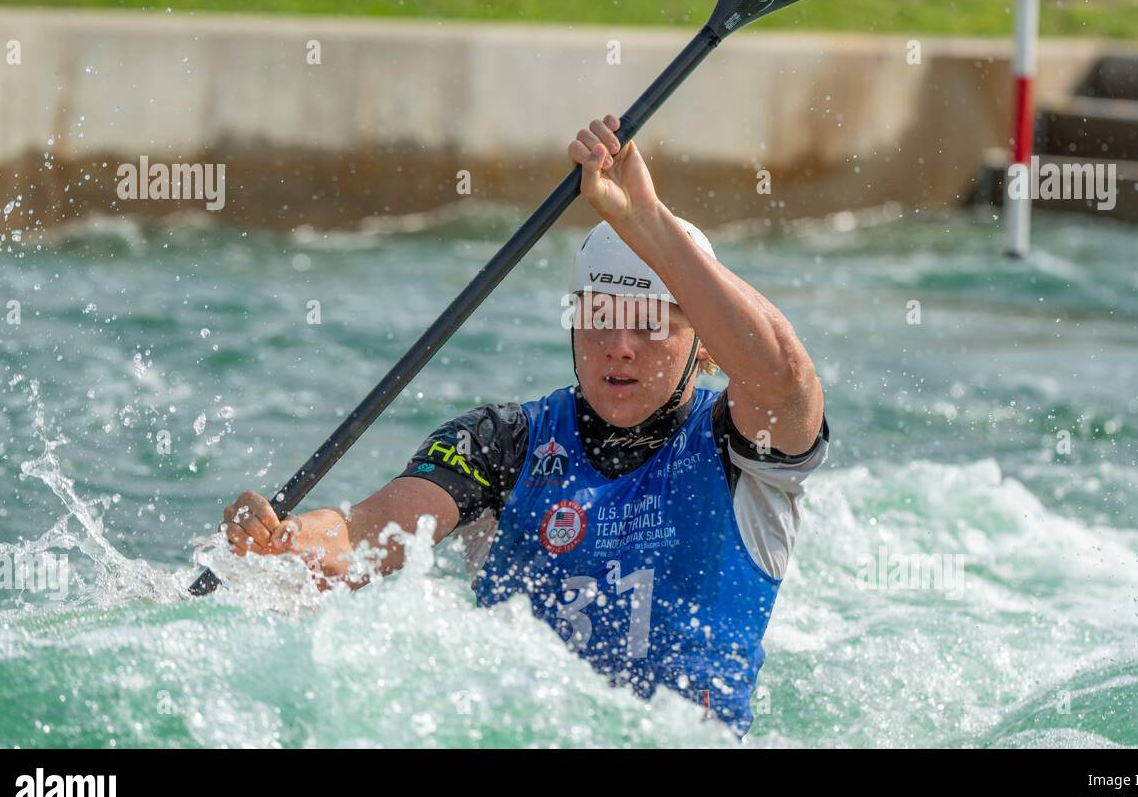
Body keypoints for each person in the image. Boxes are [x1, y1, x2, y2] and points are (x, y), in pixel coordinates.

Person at [221, 115, 829, 735]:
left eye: (650, 322)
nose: (619, 346)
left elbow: (786, 379)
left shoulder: (742, 449)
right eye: (597, 316)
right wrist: (283, 543)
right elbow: (363, 535)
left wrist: (646, 219)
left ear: (706, 348)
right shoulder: (501, 443)